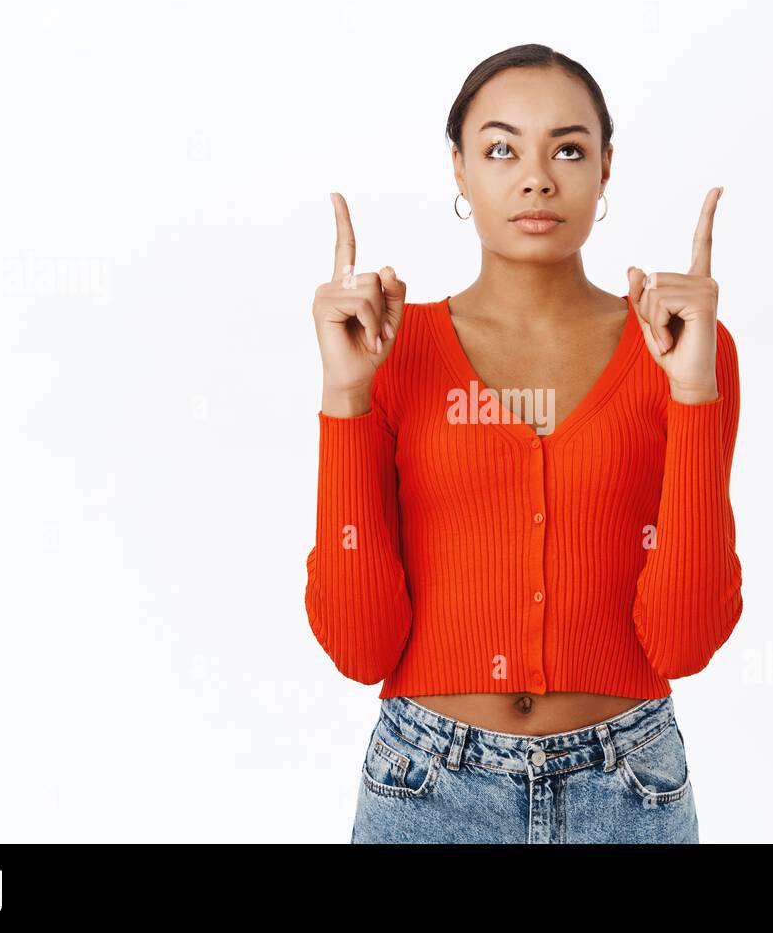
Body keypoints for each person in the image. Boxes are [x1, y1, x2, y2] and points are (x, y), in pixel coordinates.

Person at [305, 43, 743, 843]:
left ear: (606, 168)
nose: (536, 178)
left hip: (629, 790)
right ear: (459, 170)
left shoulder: (679, 346)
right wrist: (346, 394)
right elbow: (359, 645)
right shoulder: (389, 350)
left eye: (567, 149)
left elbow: (683, 640)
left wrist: (692, 390)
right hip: (426, 790)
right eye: (501, 148)